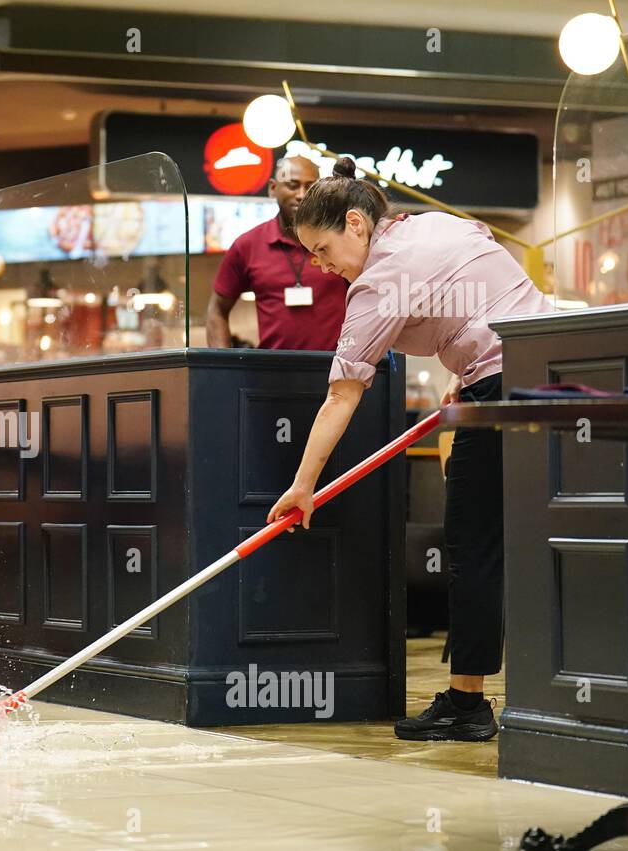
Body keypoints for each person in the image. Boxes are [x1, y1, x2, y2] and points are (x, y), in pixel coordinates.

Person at [267, 157, 552, 743]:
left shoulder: (377, 283)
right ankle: (568, 685)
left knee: (475, 547)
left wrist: (303, 484)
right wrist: (467, 364)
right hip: (555, 373)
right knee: (547, 535)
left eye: (322, 250)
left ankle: (469, 706)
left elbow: (341, 397)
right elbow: (492, 280)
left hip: (499, 391)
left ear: (355, 224)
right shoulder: (434, 224)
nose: (320, 268)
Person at [207, 155, 348, 350]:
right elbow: (217, 310)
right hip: (271, 374)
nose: (301, 195)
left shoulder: (340, 241)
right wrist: (220, 369)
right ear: (273, 188)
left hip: (338, 372)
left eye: (310, 187)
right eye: (292, 185)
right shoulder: (247, 245)